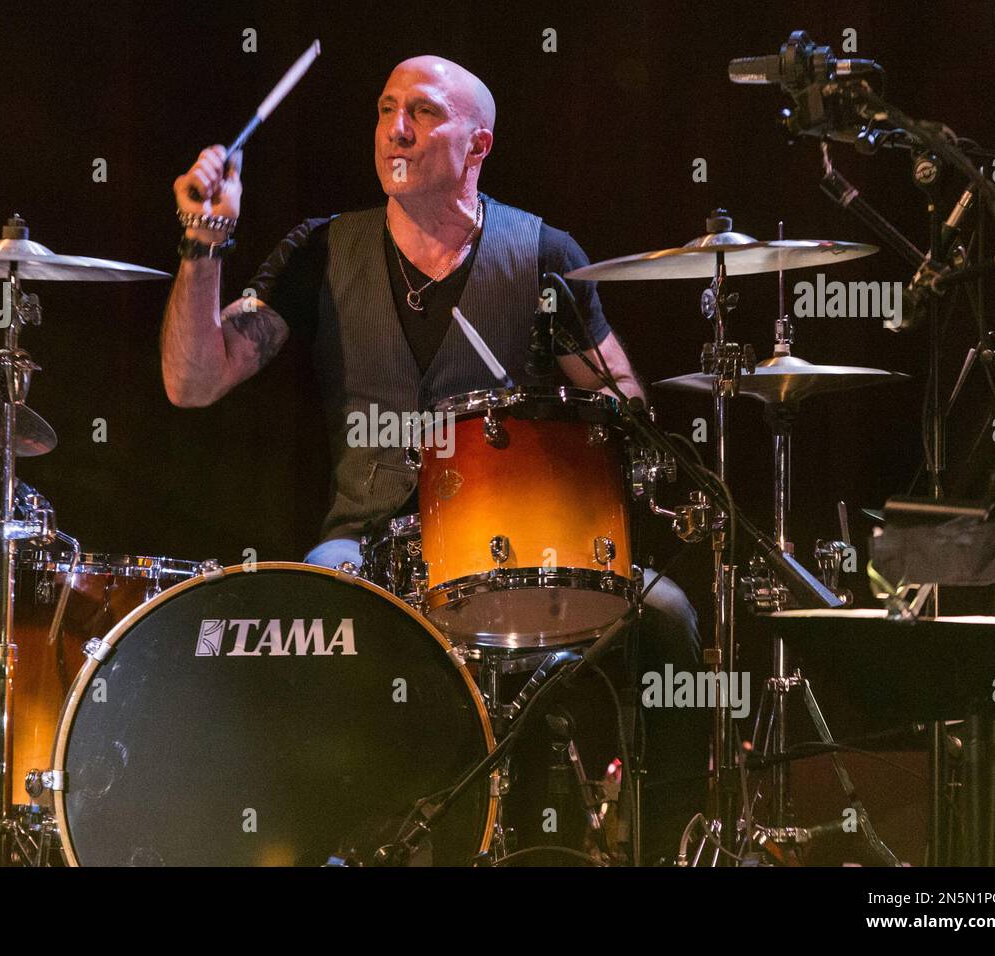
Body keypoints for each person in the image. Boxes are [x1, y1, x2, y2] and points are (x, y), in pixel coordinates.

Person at [161, 54, 705, 863]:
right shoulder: (320, 249)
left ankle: (666, 850)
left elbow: (625, 407)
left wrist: (562, 421)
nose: (397, 129)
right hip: (367, 540)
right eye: (385, 110)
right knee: (323, 607)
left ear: (477, 143)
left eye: (422, 111)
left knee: (668, 617)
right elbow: (191, 382)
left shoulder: (543, 253)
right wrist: (206, 241)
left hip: (522, 547)